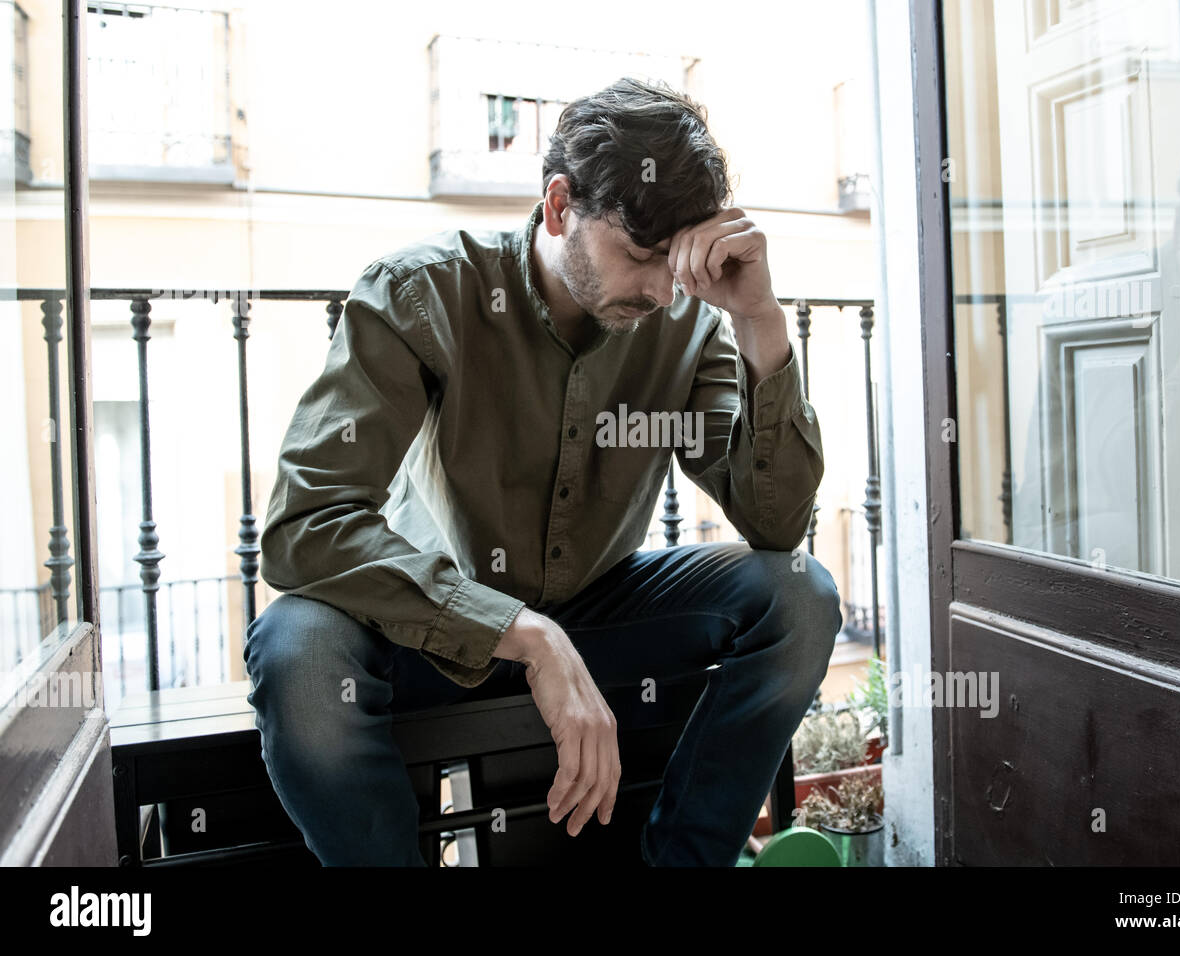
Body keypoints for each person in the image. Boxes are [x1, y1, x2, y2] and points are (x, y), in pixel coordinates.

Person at [244, 76, 842, 867]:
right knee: (297, 652)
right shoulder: (422, 294)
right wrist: (521, 633)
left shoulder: (689, 321)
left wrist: (760, 320)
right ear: (561, 206)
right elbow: (305, 526)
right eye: (641, 257)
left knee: (802, 596)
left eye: (678, 265)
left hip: (600, 612)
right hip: (430, 626)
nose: (664, 292)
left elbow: (774, 524)